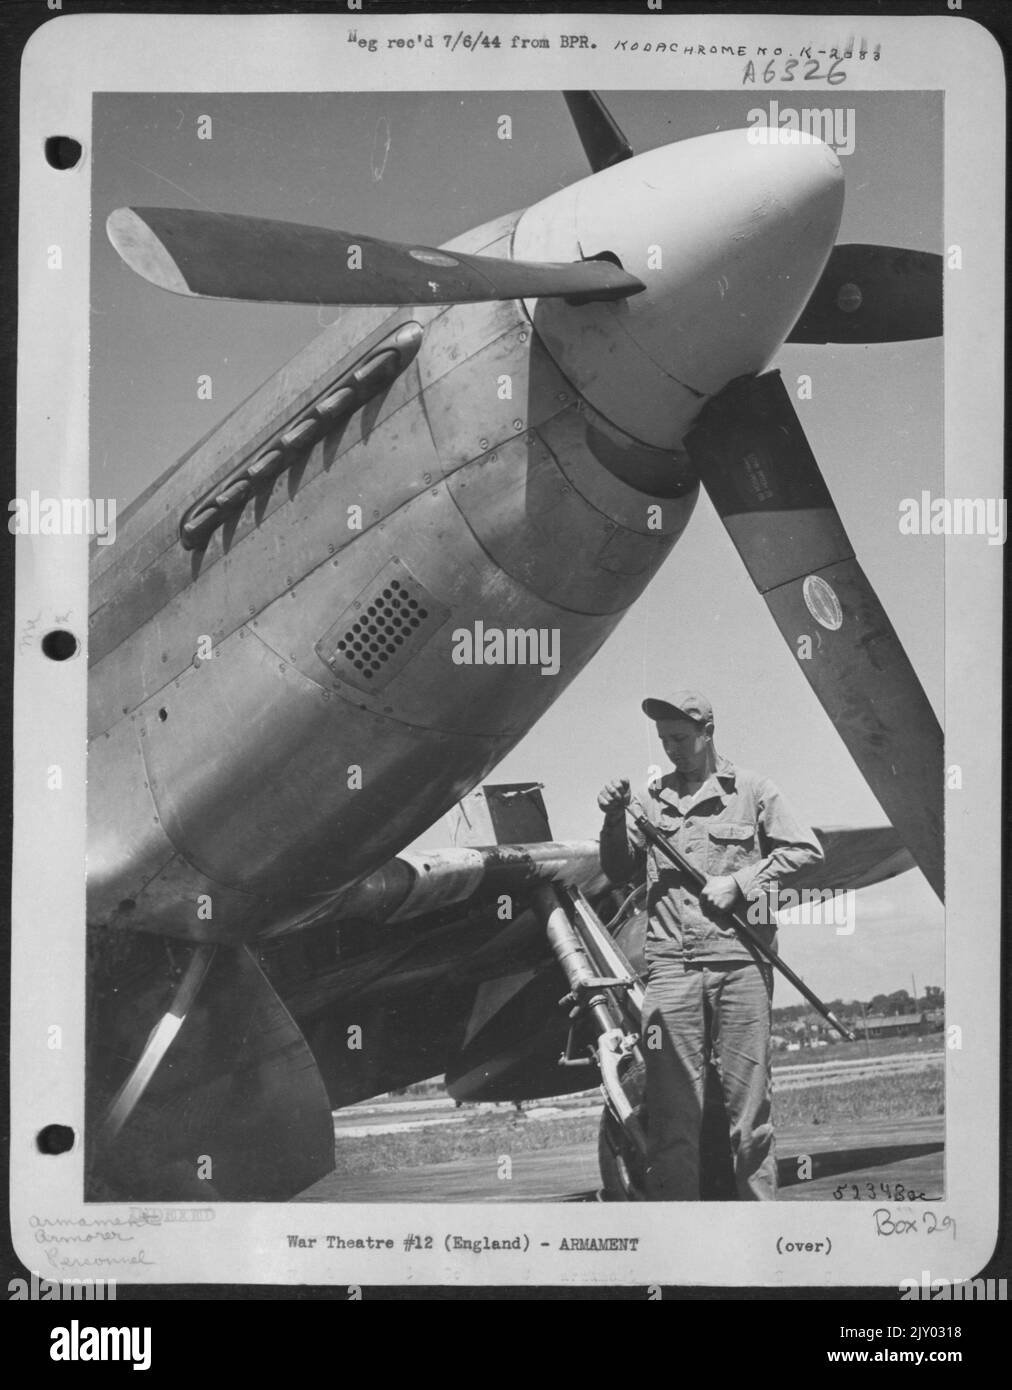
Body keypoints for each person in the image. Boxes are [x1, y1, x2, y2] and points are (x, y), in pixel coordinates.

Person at [598, 690, 823, 1201]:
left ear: (707, 732)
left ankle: (759, 1238)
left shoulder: (753, 791)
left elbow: (807, 851)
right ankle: (681, 1241)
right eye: (663, 741)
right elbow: (616, 868)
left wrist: (742, 882)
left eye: (680, 738)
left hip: (741, 965)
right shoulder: (649, 802)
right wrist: (613, 816)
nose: (671, 749)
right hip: (672, 970)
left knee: (750, 1118)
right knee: (673, 1119)